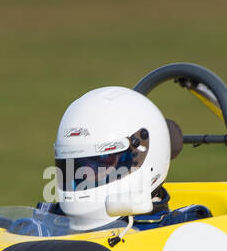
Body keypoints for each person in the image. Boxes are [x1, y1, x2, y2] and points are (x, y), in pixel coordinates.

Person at [44, 85, 208, 233]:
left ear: (140, 153)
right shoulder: (48, 224)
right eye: (75, 165)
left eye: (99, 163)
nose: (83, 176)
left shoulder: (183, 231)